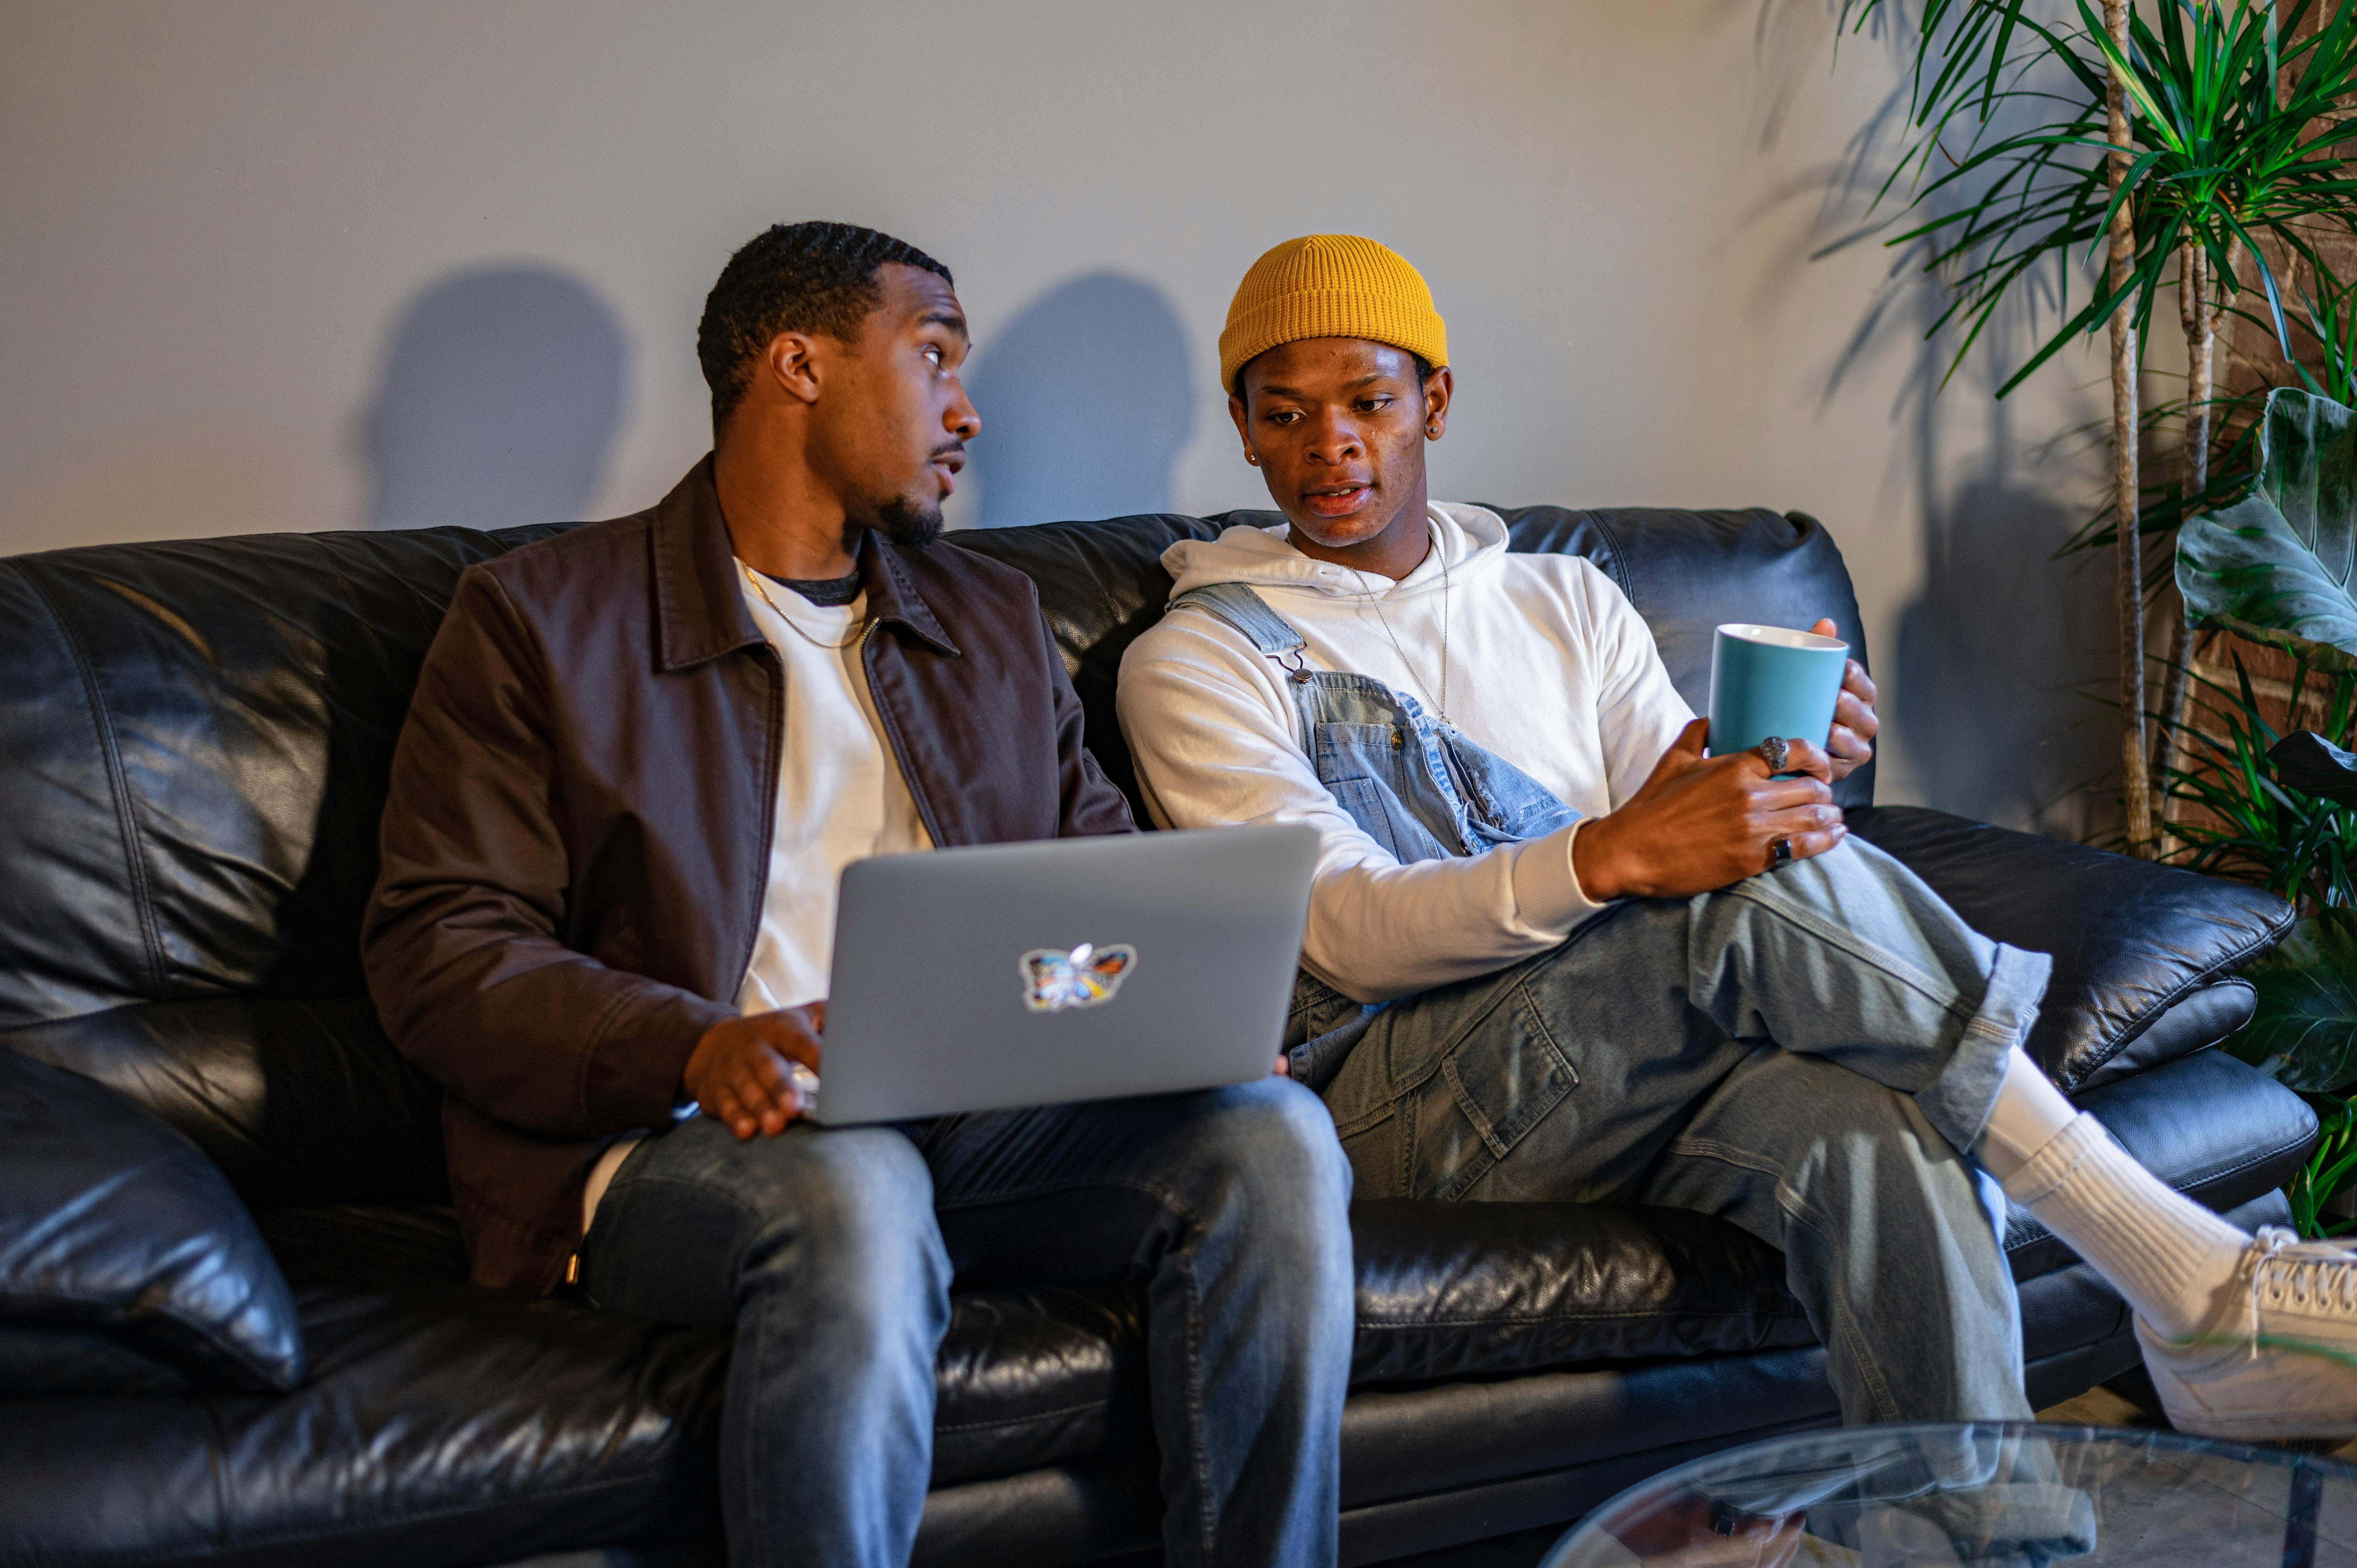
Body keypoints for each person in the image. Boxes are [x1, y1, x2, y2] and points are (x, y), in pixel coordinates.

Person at [1116, 232, 2357, 1439]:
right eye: (1283, 415)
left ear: (1433, 402)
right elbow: (1341, 931)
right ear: (1243, 430)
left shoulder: (1565, 596)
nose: (1329, 444)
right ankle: (2193, 1282)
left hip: (1617, 1053)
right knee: (1729, 896)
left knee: (1873, 1138)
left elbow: (1683, 821)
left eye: (1368, 402)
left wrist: (1777, 775)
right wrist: (1617, 855)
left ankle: (1974, 1535)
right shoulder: (1199, 658)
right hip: (1396, 1098)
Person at [362, 221, 1355, 1568]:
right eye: (935, 355)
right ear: (799, 366)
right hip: (676, 1146)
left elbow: (1098, 889)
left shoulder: (991, 621)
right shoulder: (538, 620)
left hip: (974, 1125)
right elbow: (442, 945)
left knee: (1272, 1142)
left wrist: (1174, 1017)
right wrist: (697, 1045)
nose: (969, 407)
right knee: (858, 1187)